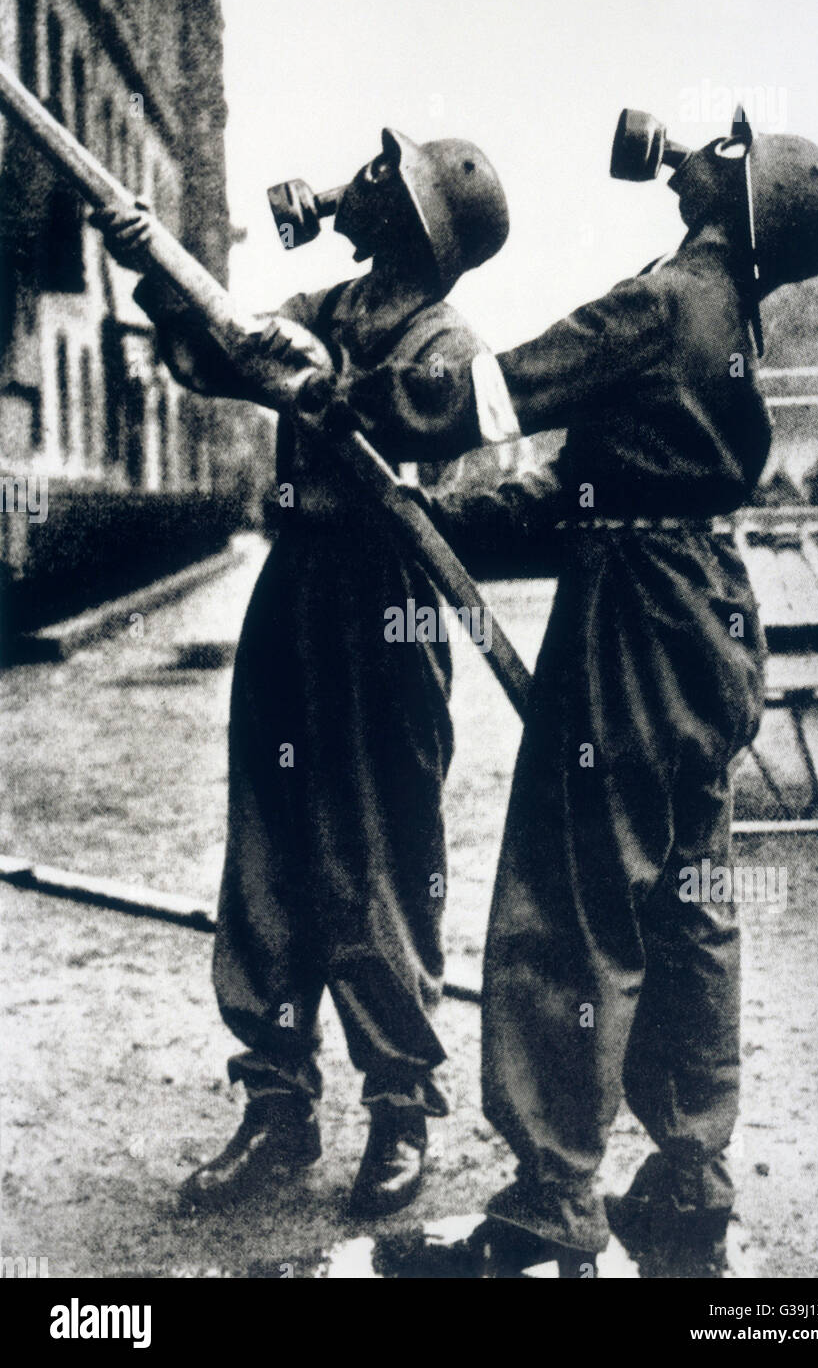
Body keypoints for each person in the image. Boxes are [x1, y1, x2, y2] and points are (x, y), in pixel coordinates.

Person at [419, 115, 818, 1277]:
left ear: (739, 199)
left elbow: (499, 391)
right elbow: (595, 482)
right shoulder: (731, 316)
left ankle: (552, 1195)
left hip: (635, 615)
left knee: (571, 904)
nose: (696, 147)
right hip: (703, 608)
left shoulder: (667, 301)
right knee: (686, 900)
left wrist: (370, 400)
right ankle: (687, 1176)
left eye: (725, 149)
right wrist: (454, 519)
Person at [96, 127, 509, 1218]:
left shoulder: (443, 339)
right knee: (270, 853)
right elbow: (230, 354)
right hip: (298, 596)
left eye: (388, 178)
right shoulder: (335, 304)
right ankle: (277, 1106)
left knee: (378, 856)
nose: (359, 183)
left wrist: (317, 382)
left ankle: (398, 1109)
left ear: (420, 225)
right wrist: (160, 272)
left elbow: (373, 409)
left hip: (385, 597)